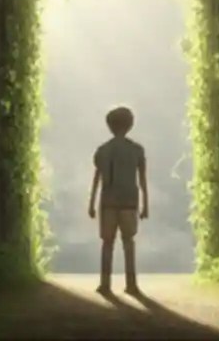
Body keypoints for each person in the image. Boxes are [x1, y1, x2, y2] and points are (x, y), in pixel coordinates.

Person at [88, 105, 148, 295]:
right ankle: (131, 283)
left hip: (108, 202)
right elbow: (142, 179)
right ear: (130, 125)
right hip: (129, 202)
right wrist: (145, 204)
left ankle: (105, 284)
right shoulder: (137, 150)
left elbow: (97, 178)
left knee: (107, 243)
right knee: (128, 242)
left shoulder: (102, 150)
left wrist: (91, 203)